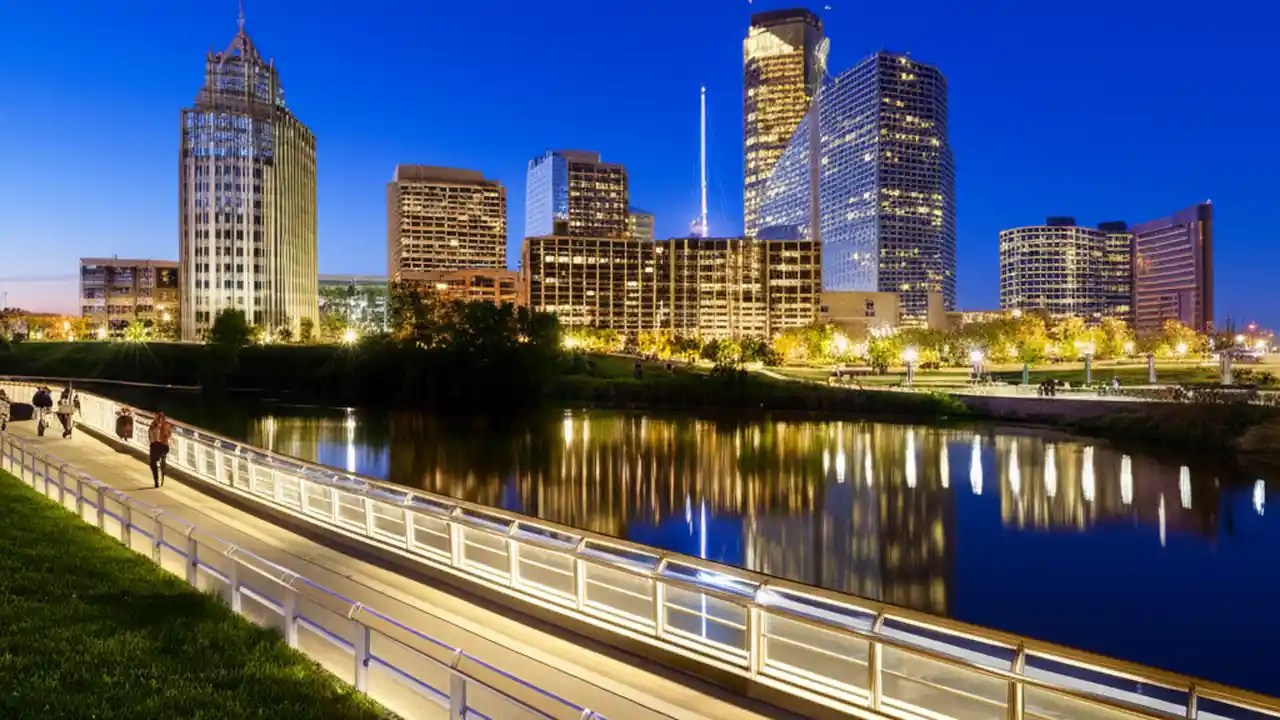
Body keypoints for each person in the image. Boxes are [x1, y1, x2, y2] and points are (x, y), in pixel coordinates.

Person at [148, 412, 174, 488]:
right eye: (158, 418)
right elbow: (150, 435)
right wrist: (152, 442)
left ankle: (163, 466)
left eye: (161, 419)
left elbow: (169, 435)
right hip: (155, 445)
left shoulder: (166, 425)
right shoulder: (153, 425)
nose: (159, 420)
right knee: (152, 463)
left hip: (163, 445)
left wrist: (167, 438)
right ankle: (156, 480)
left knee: (162, 455)